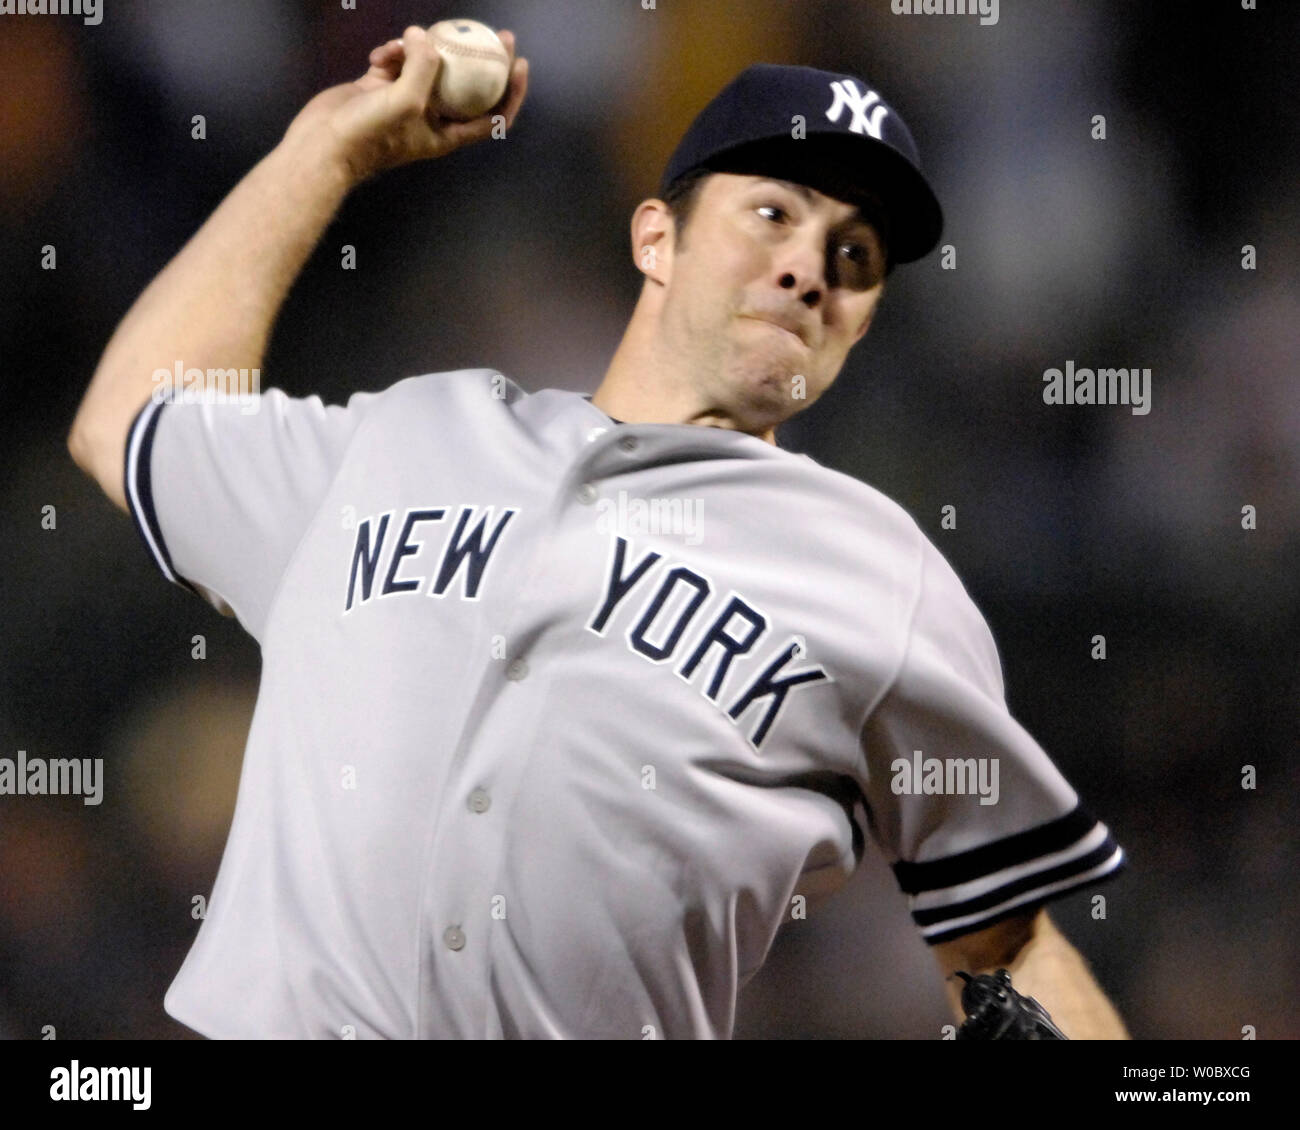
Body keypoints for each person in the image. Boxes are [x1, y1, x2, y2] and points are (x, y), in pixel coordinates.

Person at [68, 27, 1129, 1039]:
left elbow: (1009, 941)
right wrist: (324, 152)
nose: (812, 265)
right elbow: (129, 419)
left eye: (854, 253)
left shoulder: (882, 576)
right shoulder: (406, 436)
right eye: (774, 214)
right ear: (654, 237)